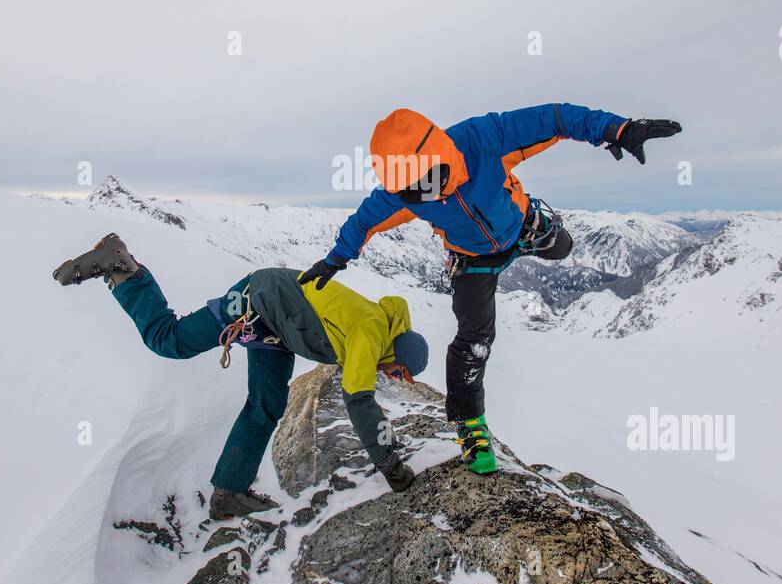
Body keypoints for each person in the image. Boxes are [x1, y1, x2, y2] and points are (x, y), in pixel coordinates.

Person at [299, 104, 681, 475]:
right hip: (472, 259)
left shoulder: (482, 138)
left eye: (429, 181)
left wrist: (617, 129)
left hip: (518, 228)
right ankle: (470, 426)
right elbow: (363, 221)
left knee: (562, 247)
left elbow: (555, 119)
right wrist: (336, 259)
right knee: (475, 337)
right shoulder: (400, 193)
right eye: (414, 191)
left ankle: (536, 225)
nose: (428, 195)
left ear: (442, 154)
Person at [53, 234, 428, 518]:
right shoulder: (373, 334)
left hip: (274, 326)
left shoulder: (378, 334)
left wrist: (386, 438)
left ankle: (228, 493)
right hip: (258, 301)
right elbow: (359, 399)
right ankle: (123, 270)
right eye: (401, 373)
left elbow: (364, 395)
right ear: (399, 355)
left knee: (267, 403)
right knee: (171, 340)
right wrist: (391, 467)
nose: (395, 378)